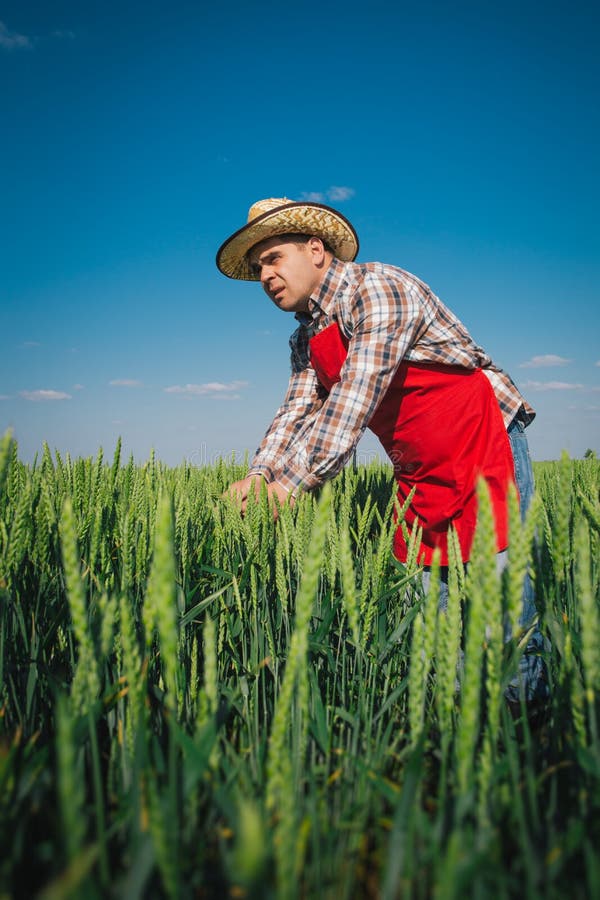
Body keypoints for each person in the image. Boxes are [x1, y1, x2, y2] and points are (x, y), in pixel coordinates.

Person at [216, 197, 547, 706]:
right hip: (419, 471)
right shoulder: (306, 339)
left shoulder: (378, 289)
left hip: (482, 447)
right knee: (432, 616)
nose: (265, 274)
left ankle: (529, 739)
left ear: (316, 250)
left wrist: (289, 487)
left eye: (274, 257)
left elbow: (354, 399)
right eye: (258, 266)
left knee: (500, 611)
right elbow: (296, 412)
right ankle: (453, 732)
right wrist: (261, 475)